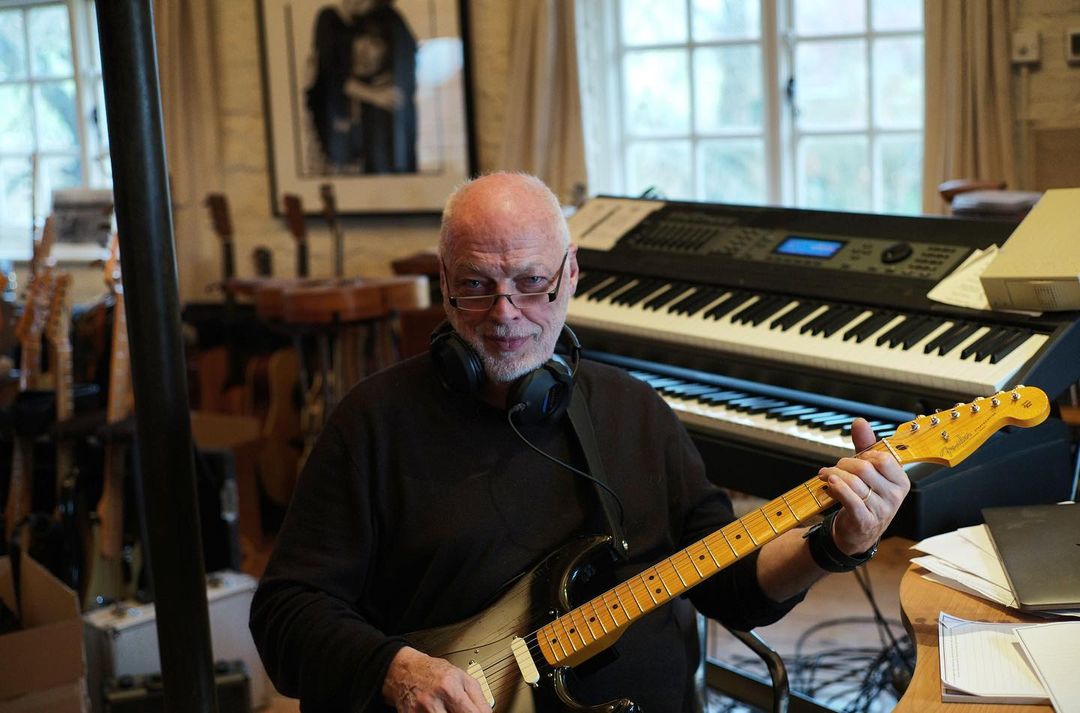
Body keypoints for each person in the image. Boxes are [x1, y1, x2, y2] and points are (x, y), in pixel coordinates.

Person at [249, 172, 910, 712]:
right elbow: (285, 615)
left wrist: (836, 543)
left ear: (571, 274)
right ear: (444, 283)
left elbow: (731, 582)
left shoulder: (634, 411)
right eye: (478, 284)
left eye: (531, 282)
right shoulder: (371, 424)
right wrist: (397, 670)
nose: (506, 314)